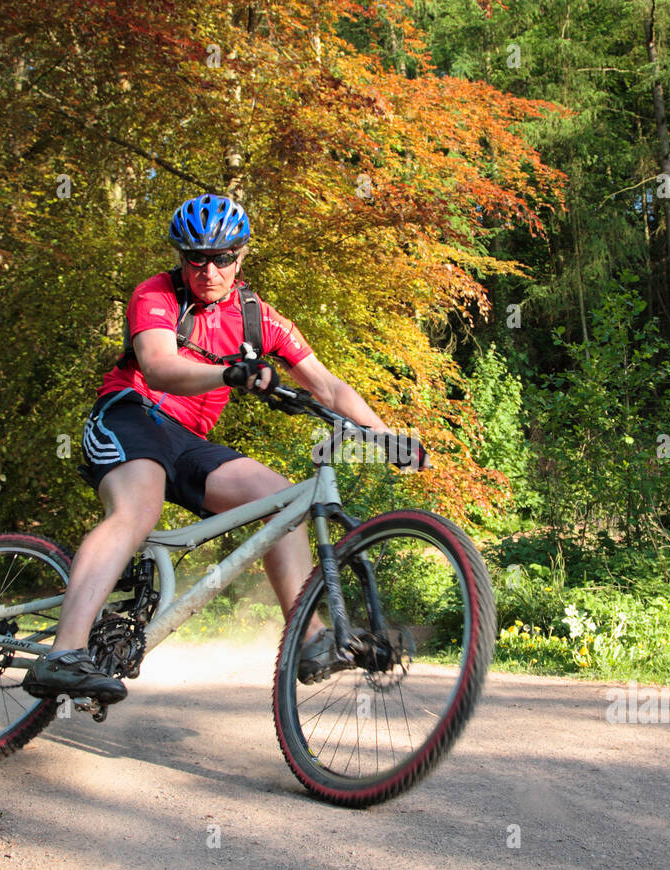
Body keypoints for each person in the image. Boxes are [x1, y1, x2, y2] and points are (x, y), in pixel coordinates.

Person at [23, 193, 424, 705]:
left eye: (222, 258)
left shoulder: (260, 318)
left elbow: (328, 386)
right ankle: (65, 651)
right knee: (139, 507)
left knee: (283, 499)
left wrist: (387, 438)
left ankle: (309, 639)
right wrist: (230, 372)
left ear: (242, 255)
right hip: (128, 413)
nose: (208, 270)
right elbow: (159, 366)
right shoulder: (156, 295)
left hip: (189, 442)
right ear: (180, 257)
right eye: (196, 258)